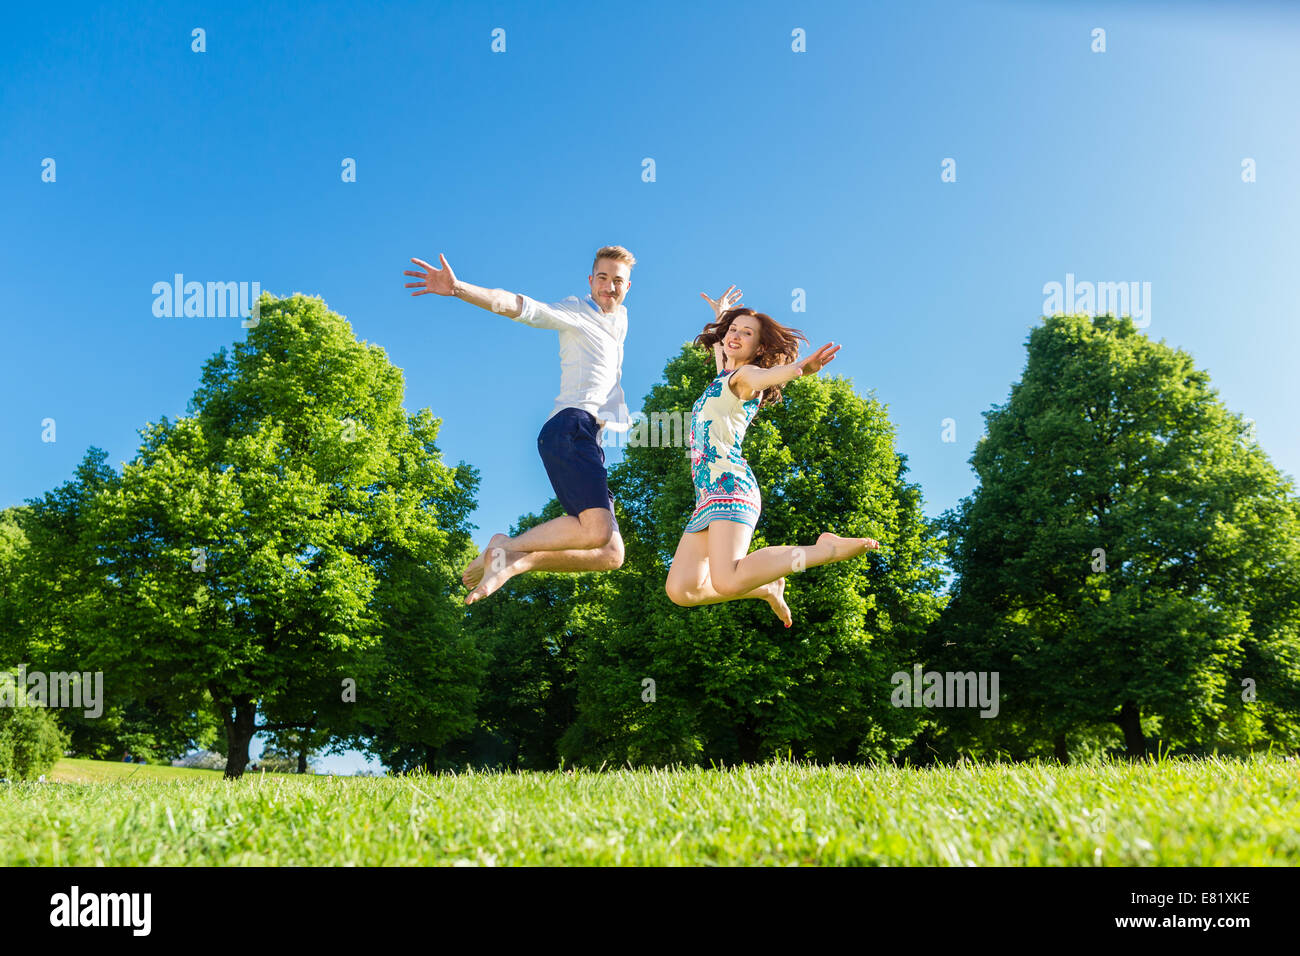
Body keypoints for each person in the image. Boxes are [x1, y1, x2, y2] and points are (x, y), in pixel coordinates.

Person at [404, 246, 635, 603]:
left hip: (590, 439)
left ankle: (515, 563)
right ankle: (505, 547)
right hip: (570, 428)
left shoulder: (620, 320)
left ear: (627, 286)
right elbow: (520, 306)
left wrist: (722, 320)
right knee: (597, 529)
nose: (609, 287)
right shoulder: (575, 311)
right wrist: (458, 288)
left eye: (617, 280)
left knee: (610, 554)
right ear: (590, 281)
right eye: (602, 278)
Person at [664, 287, 880, 626]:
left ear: (759, 347)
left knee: (727, 579)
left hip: (731, 486)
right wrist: (723, 314)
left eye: (746, 333)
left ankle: (824, 550)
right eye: (733, 330)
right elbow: (723, 346)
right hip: (706, 496)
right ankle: (766, 587)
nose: (735, 336)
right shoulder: (723, 375)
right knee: (682, 590)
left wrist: (799, 370)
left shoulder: (746, 377)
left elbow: (767, 376)